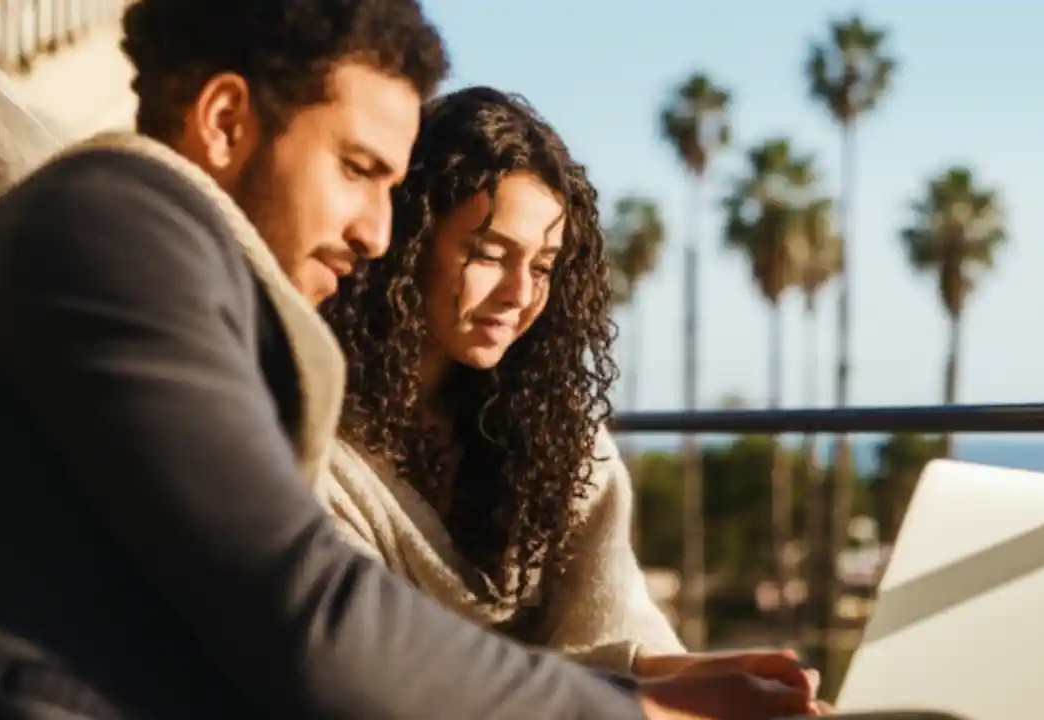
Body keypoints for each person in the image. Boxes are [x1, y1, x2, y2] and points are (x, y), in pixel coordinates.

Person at [0, 2, 815, 718]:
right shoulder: (113, 226)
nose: (378, 236)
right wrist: (646, 709)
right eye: (357, 170)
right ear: (223, 122)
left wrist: (661, 679)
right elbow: (315, 619)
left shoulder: (173, 269)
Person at [320, 86, 825, 703]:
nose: (518, 293)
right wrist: (671, 701)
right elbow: (375, 672)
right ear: (407, 245)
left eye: (542, 266)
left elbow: (604, 635)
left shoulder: (561, 440)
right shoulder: (318, 442)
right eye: (487, 253)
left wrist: (697, 673)